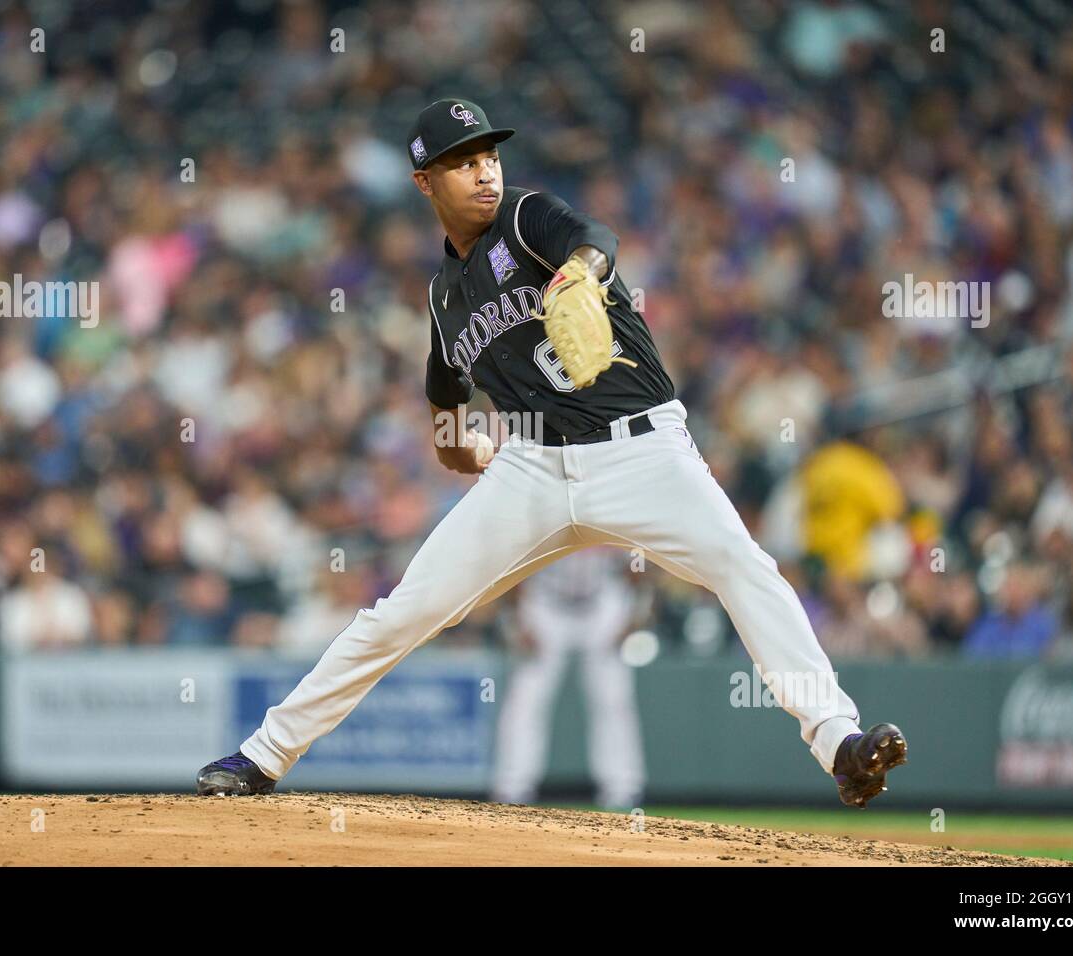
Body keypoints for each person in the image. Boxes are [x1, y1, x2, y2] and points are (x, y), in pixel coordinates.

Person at [197, 99, 907, 808]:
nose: (484, 174)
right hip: (529, 469)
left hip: (640, 451)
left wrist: (581, 271)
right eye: (463, 163)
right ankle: (263, 755)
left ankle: (836, 738)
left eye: (489, 157)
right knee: (403, 612)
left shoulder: (526, 218)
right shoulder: (446, 296)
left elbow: (593, 235)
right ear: (424, 183)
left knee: (744, 566)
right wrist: (458, 449)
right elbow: (444, 391)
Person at [492, 548, 646, 810]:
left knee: (613, 698)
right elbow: (513, 565)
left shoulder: (609, 511)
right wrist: (518, 620)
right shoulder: (539, 510)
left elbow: (639, 565)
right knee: (526, 698)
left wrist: (634, 614)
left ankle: (623, 788)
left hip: (603, 601)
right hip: (544, 599)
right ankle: (512, 786)